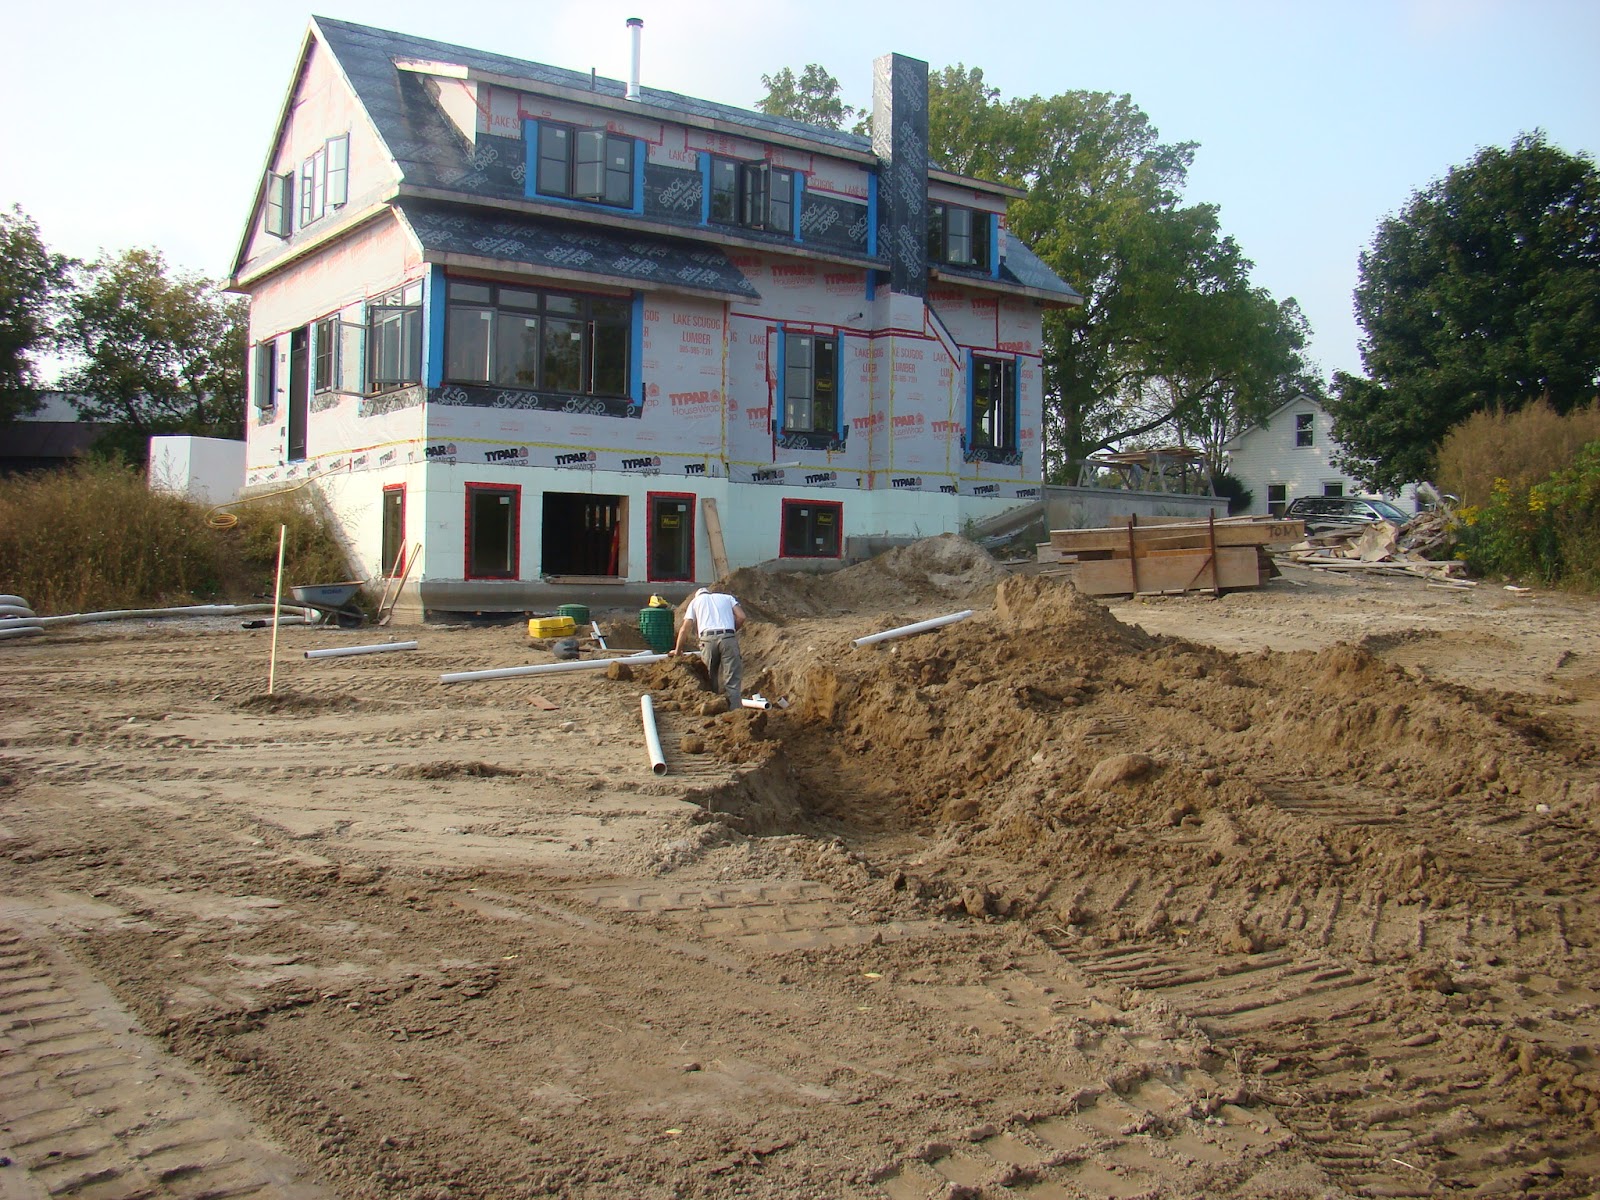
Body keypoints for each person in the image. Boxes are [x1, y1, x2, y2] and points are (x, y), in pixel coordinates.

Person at [669, 586, 746, 712]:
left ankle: (713, 708)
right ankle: (735, 712)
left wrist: (677, 651)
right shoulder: (727, 598)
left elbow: (684, 629)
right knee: (732, 679)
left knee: (709, 676)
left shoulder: (695, 602)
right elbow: (741, 617)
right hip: (728, 638)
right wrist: (731, 631)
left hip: (707, 640)